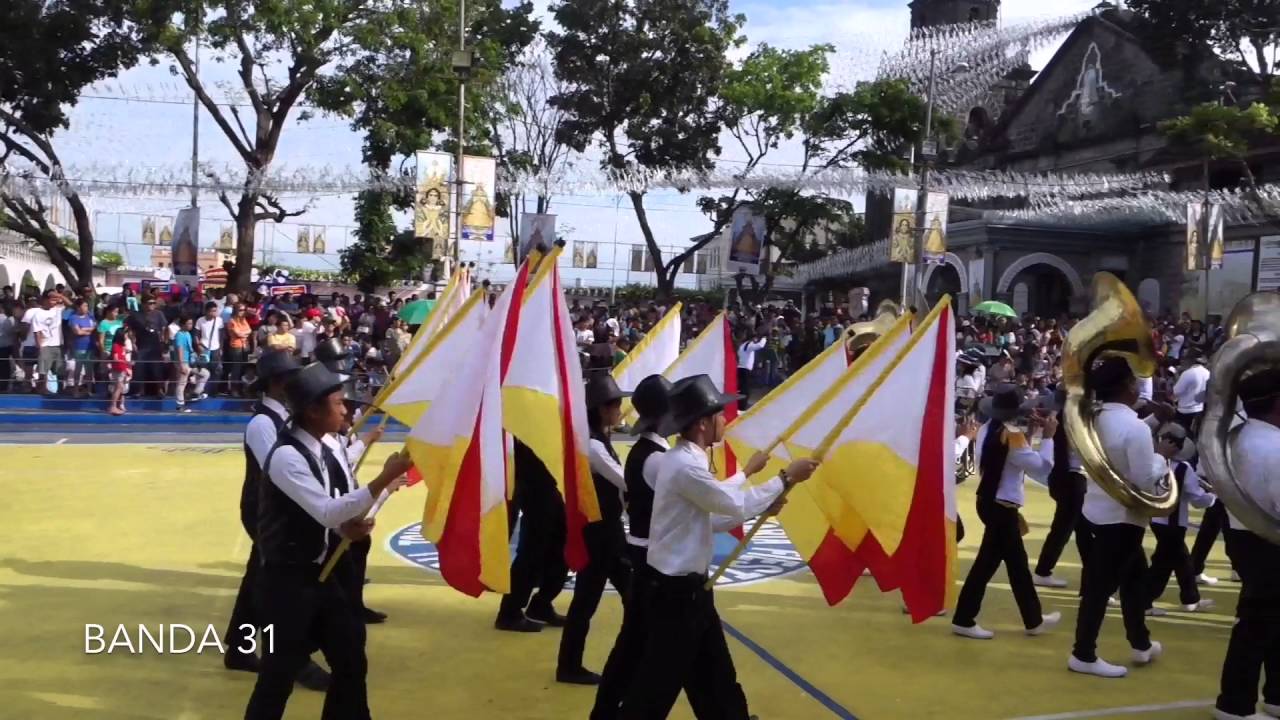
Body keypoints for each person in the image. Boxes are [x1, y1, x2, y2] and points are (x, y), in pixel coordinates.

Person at [617, 374, 819, 720]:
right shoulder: (683, 465)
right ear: (702, 423)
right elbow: (732, 504)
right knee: (656, 687)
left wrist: (763, 503)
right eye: (719, 414)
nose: (725, 419)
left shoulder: (686, 459)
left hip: (690, 590)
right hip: (676, 594)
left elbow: (706, 521)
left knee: (714, 675)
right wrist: (785, 478)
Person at [244, 361, 412, 720]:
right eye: (338, 402)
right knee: (277, 677)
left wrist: (346, 528)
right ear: (312, 410)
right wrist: (383, 479)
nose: (346, 409)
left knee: (351, 657)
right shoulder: (287, 455)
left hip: (321, 577)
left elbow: (331, 515)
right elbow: (325, 511)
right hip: (285, 585)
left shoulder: (323, 448)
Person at [594, 375, 714, 720]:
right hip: (654, 561)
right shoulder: (662, 460)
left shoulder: (645, 453)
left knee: (641, 644)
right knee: (651, 651)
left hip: (643, 554)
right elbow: (700, 505)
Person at [223, 351, 330, 692]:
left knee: (259, 577)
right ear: (276, 382)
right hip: (266, 512)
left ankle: (239, 649)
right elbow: (281, 468)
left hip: (274, 511)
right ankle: (292, 658)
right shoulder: (263, 424)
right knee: (281, 585)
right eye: (290, 377)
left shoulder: (281, 417)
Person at [1069, 357, 1178, 678]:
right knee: (1099, 589)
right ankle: (1083, 653)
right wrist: (1162, 457)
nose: (1137, 389)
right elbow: (1145, 478)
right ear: (1126, 387)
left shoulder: (1091, 418)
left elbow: (1127, 437)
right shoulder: (1131, 427)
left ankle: (1141, 644)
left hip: (1094, 512)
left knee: (1131, 582)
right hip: (1123, 520)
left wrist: (1154, 421)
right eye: (1134, 383)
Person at [951, 385, 1061, 640]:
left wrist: (1032, 433)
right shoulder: (1012, 435)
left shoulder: (989, 429)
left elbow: (1013, 457)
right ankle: (964, 618)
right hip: (1002, 507)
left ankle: (1033, 619)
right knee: (991, 566)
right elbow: (1042, 468)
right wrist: (1048, 436)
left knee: (1015, 566)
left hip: (989, 501)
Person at [556, 374, 633, 685]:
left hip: (606, 532)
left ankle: (572, 664)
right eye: (617, 405)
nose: (621, 410)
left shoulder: (596, 439)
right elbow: (626, 480)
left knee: (628, 596)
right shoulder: (594, 445)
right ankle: (570, 665)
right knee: (591, 601)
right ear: (603, 409)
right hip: (601, 535)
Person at [1212, 369, 1280, 720]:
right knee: (1256, 626)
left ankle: (1274, 695)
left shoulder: (1236, 436)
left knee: (1268, 621)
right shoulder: (1274, 445)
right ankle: (1235, 704)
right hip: (1270, 544)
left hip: (1243, 537)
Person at [1143, 423, 1216, 615]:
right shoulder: (1183, 468)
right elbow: (1198, 499)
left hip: (1156, 519)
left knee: (1176, 560)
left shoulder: (1151, 461)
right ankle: (1144, 600)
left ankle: (1190, 598)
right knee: (1167, 563)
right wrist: (1214, 496)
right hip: (1174, 522)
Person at [1034, 388, 1090, 588]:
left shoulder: (1060, 418)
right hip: (1073, 479)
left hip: (1065, 478)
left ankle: (1091, 577)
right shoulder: (1075, 422)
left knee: (1080, 530)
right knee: (1066, 529)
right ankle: (1043, 570)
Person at [172, 316, 209, 412]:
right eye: (188, 323)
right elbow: (180, 349)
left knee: (205, 374)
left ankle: (196, 393)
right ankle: (179, 405)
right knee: (181, 383)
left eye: (191, 323)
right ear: (182, 324)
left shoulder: (188, 334)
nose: (190, 325)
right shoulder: (179, 335)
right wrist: (181, 364)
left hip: (190, 362)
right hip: (183, 362)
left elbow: (190, 348)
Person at [67, 299, 96, 396]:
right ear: (78, 307)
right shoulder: (73, 318)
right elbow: (77, 332)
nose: (86, 308)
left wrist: (84, 329)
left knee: (89, 370)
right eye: (84, 306)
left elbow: (95, 327)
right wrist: (88, 331)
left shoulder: (90, 317)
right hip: (79, 347)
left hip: (90, 347)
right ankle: (76, 389)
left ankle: (89, 390)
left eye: (87, 306)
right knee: (78, 369)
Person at [196, 302, 226, 396]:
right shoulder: (200, 320)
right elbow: (196, 334)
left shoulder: (219, 320)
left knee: (215, 371)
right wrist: (198, 345)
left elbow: (221, 335)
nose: (214, 313)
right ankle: (202, 390)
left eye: (215, 310)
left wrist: (221, 348)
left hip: (215, 348)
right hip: (204, 348)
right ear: (206, 311)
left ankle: (213, 391)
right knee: (204, 371)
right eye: (212, 311)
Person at [736, 330, 767, 410]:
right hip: (745, 369)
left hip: (740, 368)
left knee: (741, 388)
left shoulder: (742, 345)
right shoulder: (749, 345)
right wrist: (764, 338)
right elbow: (760, 346)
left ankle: (739, 404)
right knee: (745, 389)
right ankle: (742, 406)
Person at [107, 325, 134, 416]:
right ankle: (113, 406)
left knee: (120, 388)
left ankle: (115, 406)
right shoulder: (116, 346)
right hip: (118, 370)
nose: (127, 335)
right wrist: (124, 362)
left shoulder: (122, 346)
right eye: (125, 334)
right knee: (117, 389)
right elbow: (115, 358)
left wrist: (127, 365)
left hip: (122, 369)